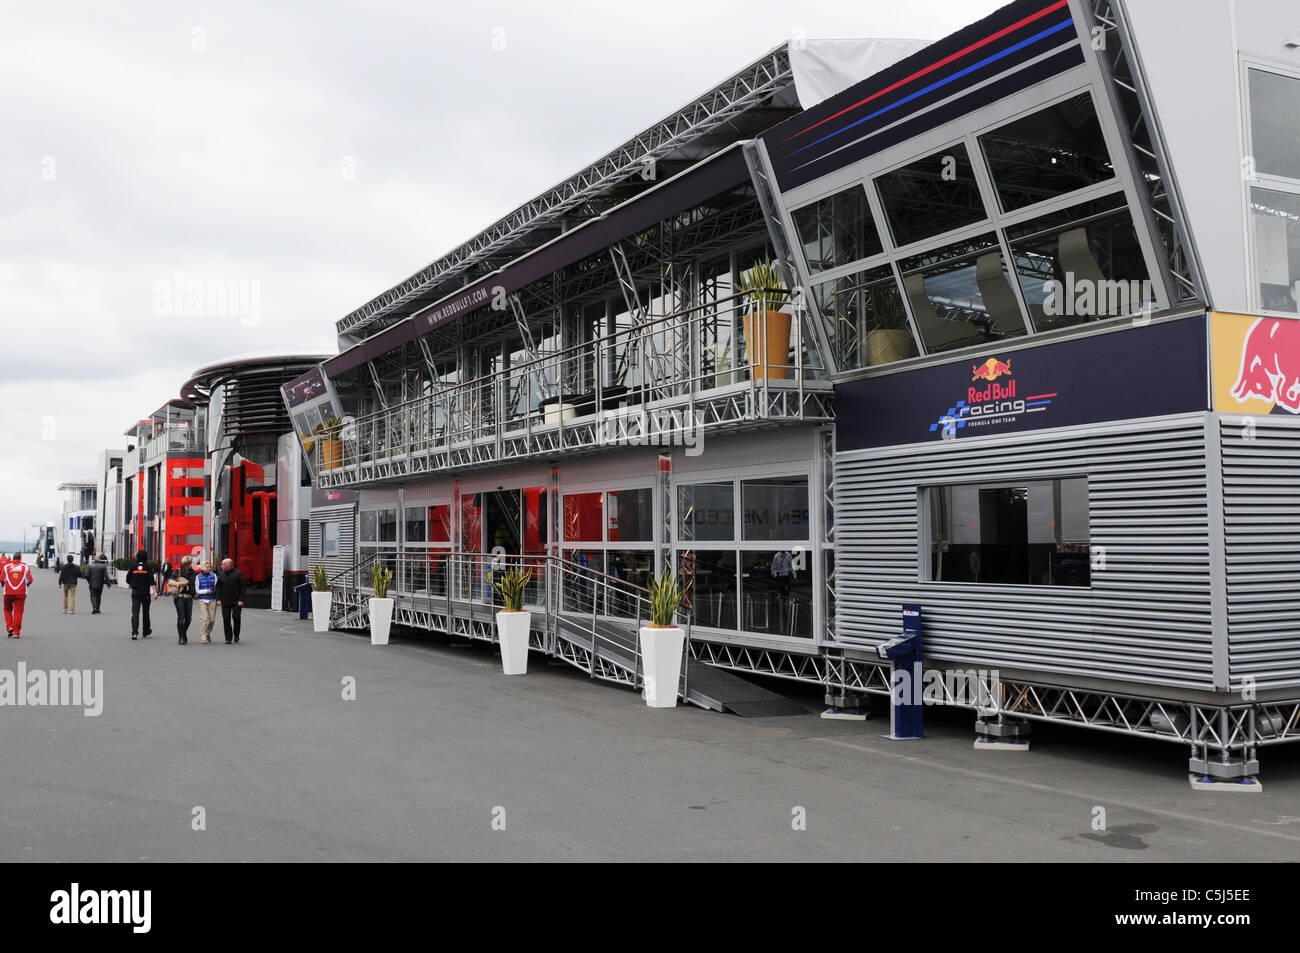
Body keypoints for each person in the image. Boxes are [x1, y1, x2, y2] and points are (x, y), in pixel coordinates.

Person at [125, 549, 158, 639]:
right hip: (145, 593)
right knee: (146, 612)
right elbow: (152, 581)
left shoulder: (133, 566)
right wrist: (155, 592)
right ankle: (146, 631)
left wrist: (133, 583)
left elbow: (127, 580)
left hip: (135, 592)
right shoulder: (148, 567)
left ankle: (134, 632)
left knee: (135, 612)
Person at [165, 556, 197, 645]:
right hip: (179, 597)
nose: (193, 565)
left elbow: (193, 585)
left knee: (189, 619)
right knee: (181, 617)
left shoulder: (193, 572)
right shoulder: (178, 571)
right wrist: (181, 583)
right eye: (192, 563)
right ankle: (181, 637)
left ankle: (183, 633)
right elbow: (170, 582)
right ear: (188, 564)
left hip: (189, 597)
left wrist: (195, 594)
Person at [215, 557, 247, 644]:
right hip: (225, 601)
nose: (222, 566)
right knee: (226, 619)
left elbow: (243, 587)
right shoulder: (221, 575)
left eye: (223, 565)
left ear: (228, 565)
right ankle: (228, 638)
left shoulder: (238, 574)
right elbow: (218, 587)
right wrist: (218, 599)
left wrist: (241, 600)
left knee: (236, 617)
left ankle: (236, 635)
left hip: (236, 601)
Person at [3, 553, 34, 638]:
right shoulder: (25, 567)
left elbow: (1, 579)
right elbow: (30, 580)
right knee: (18, 612)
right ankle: (16, 632)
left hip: (8, 592)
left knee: (7, 609)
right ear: (20, 558)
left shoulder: (6, 567)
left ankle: (9, 627)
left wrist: (4, 583)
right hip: (21, 592)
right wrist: (25, 585)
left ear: (13, 558)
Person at [194, 561, 218, 644]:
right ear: (203, 568)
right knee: (204, 618)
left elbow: (216, 587)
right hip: (202, 600)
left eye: (210, 567)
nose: (209, 568)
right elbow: (197, 590)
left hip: (212, 599)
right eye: (207, 567)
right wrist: (205, 591)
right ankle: (203, 636)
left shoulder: (214, 575)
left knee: (212, 619)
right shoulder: (198, 577)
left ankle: (208, 633)